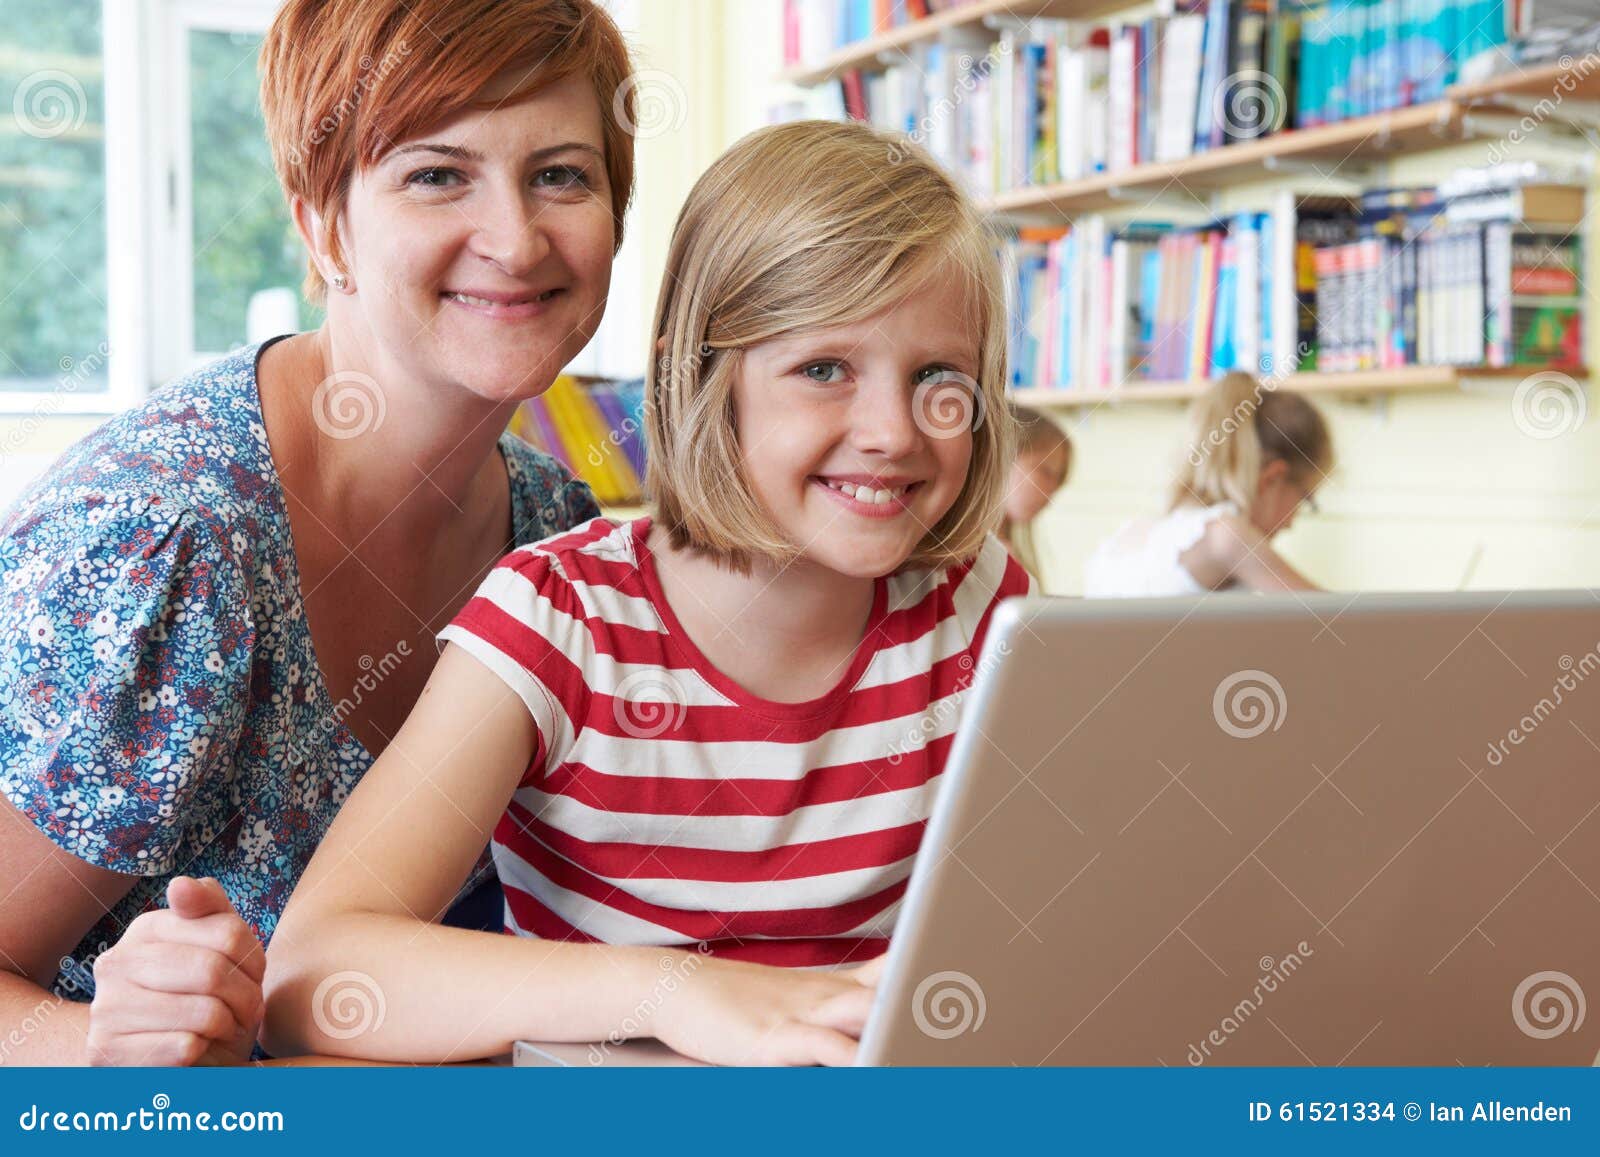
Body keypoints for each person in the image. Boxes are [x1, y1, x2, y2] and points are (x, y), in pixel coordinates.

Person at [262, 119, 1032, 1067]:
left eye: (937, 378)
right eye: (823, 368)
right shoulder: (558, 619)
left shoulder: (984, 608)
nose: (891, 430)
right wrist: (676, 991)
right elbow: (315, 975)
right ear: (694, 373)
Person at [0, 0, 634, 1065]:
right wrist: (101, 1043)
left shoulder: (555, 527)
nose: (517, 238)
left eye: (561, 175)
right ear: (321, 222)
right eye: (437, 174)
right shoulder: (169, 541)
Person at [1083, 371, 1332, 596]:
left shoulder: (1132, 534)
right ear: (1272, 478)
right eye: (1304, 499)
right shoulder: (1225, 537)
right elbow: (1339, 624)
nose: (1290, 524)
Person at [999, 404, 1073, 583]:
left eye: (1058, 482)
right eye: (1045, 472)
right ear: (1001, 457)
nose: (1051, 491)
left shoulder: (1006, 556)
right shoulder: (978, 560)